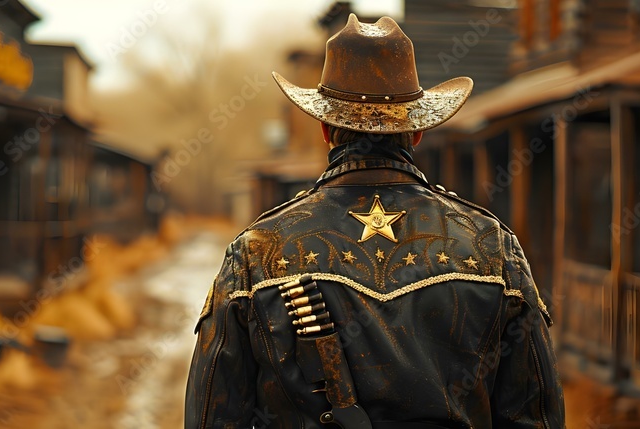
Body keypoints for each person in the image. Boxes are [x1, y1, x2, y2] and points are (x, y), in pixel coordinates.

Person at [185, 14, 565, 429]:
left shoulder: (258, 249)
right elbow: (537, 418)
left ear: (325, 128)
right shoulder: (491, 245)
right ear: (417, 132)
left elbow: (212, 418)